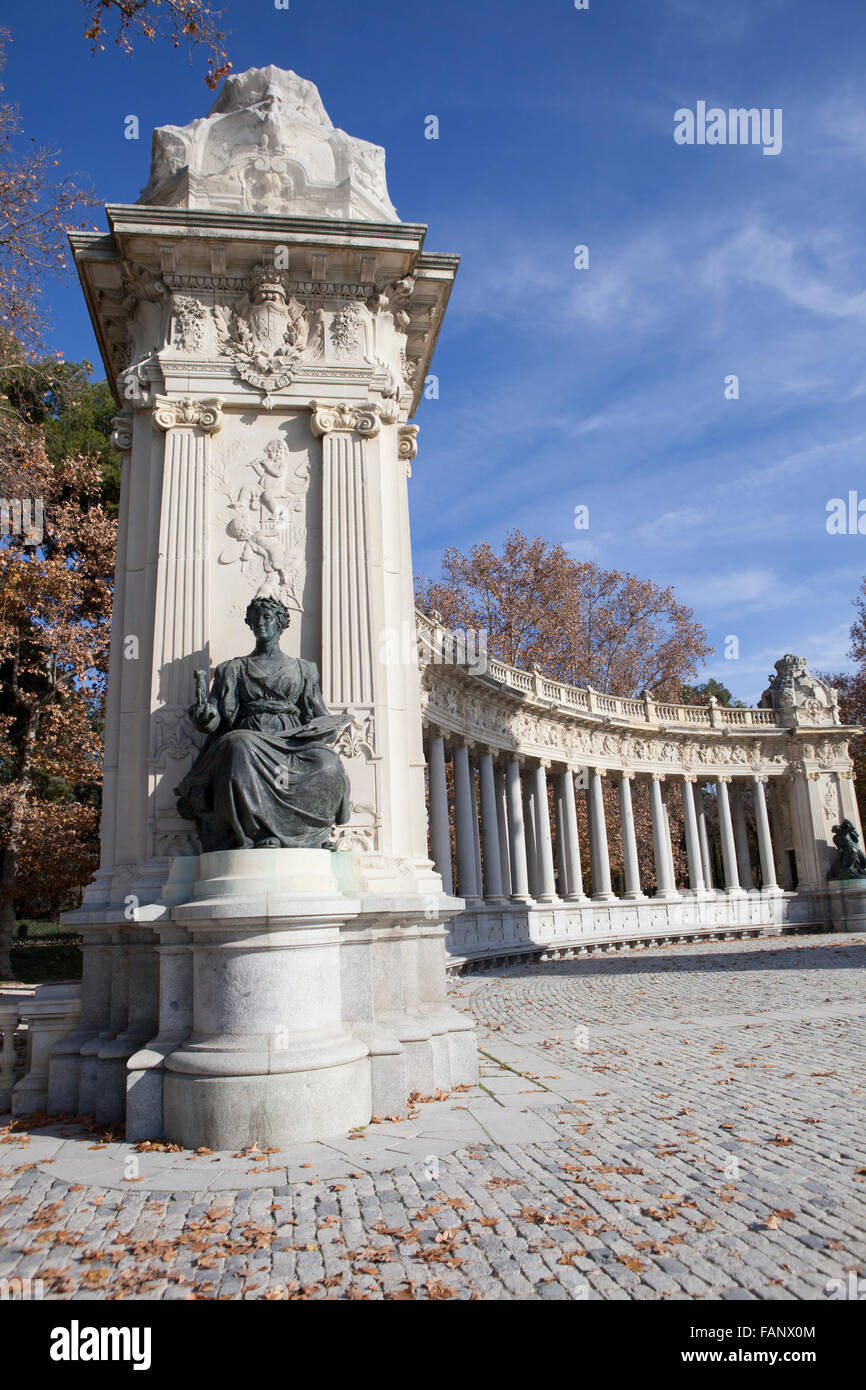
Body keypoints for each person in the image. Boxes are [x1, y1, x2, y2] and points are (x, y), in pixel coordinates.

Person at [176, 595, 350, 851]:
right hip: (252, 739)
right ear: (249, 623)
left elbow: (319, 714)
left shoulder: (304, 669)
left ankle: (309, 834)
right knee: (238, 743)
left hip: (292, 741)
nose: (261, 623)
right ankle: (258, 833)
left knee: (328, 762)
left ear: (280, 623)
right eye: (255, 618)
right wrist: (203, 716)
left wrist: (326, 728)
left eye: (267, 617)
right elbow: (215, 719)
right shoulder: (233, 669)